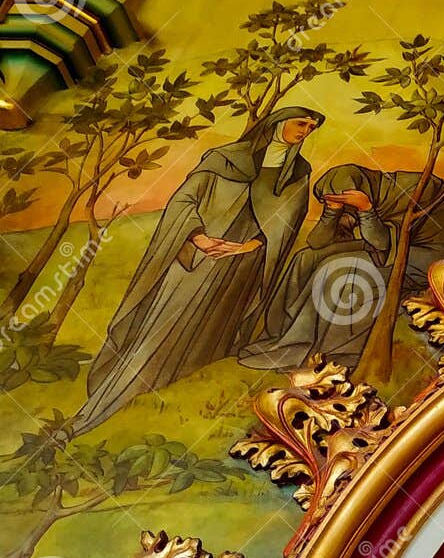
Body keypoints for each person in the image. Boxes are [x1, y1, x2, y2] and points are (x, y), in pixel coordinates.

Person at [73, 107, 323, 434]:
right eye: (300, 122)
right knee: (159, 328)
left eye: (311, 127)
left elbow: (287, 222)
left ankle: (154, 383)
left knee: (204, 333)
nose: (305, 130)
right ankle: (97, 410)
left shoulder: (297, 172)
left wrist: (247, 247)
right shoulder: (226, 157)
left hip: (241, 268)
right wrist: (199, 237)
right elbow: (184, 201)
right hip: (195, 256)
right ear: (277, 123)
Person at [240, 163, 444, 370]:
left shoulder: (411, 192)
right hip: (391, 246)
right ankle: (281, 335)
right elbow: (316, 243)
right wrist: (332, 210)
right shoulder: (366, 191)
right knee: (306, 258)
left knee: (337, 268)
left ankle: (330, 350)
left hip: (427, 257)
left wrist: (366, 209)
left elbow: (383, 243)